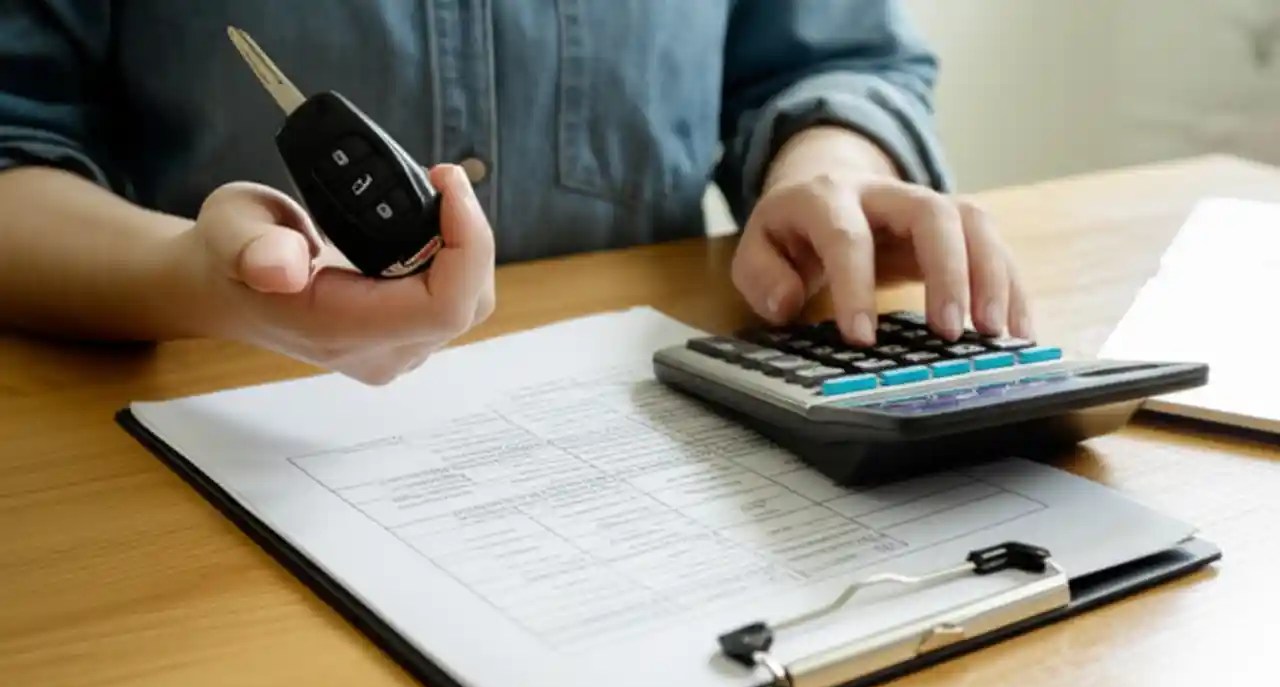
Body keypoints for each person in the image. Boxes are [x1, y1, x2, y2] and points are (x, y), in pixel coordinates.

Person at [0, 1, 1033, 385]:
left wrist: (827, 170)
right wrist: (189, 278)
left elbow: (830, 58)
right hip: (203, 440)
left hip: (660, 418)